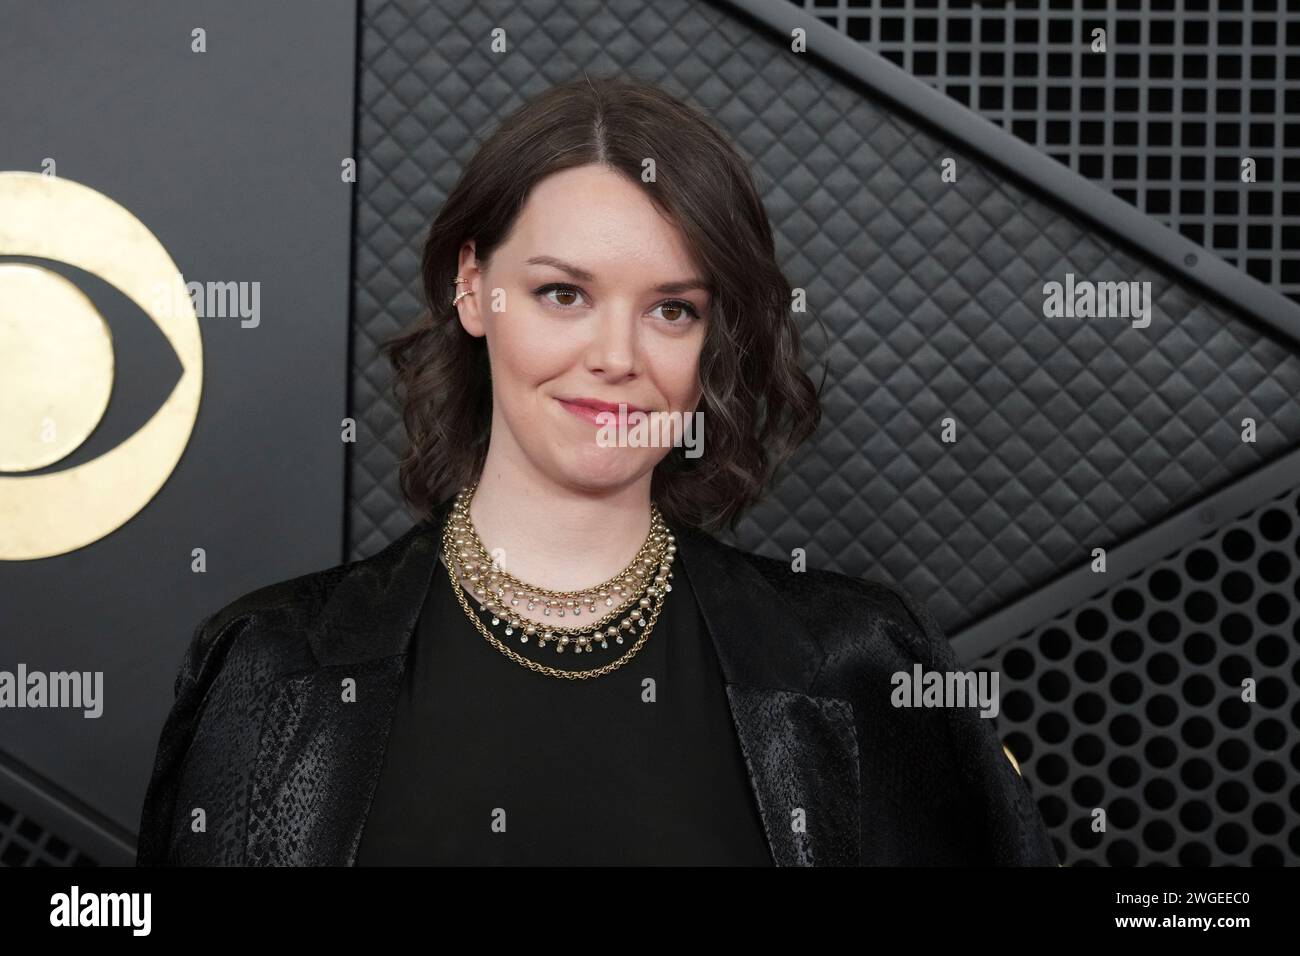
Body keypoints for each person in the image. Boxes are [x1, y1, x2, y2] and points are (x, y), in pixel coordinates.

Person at [136, 73, 1058, 866]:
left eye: (671, 310)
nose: (616, 355)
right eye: (563, 294)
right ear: (473, 287)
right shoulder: (272, 662)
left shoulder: (857, 664)